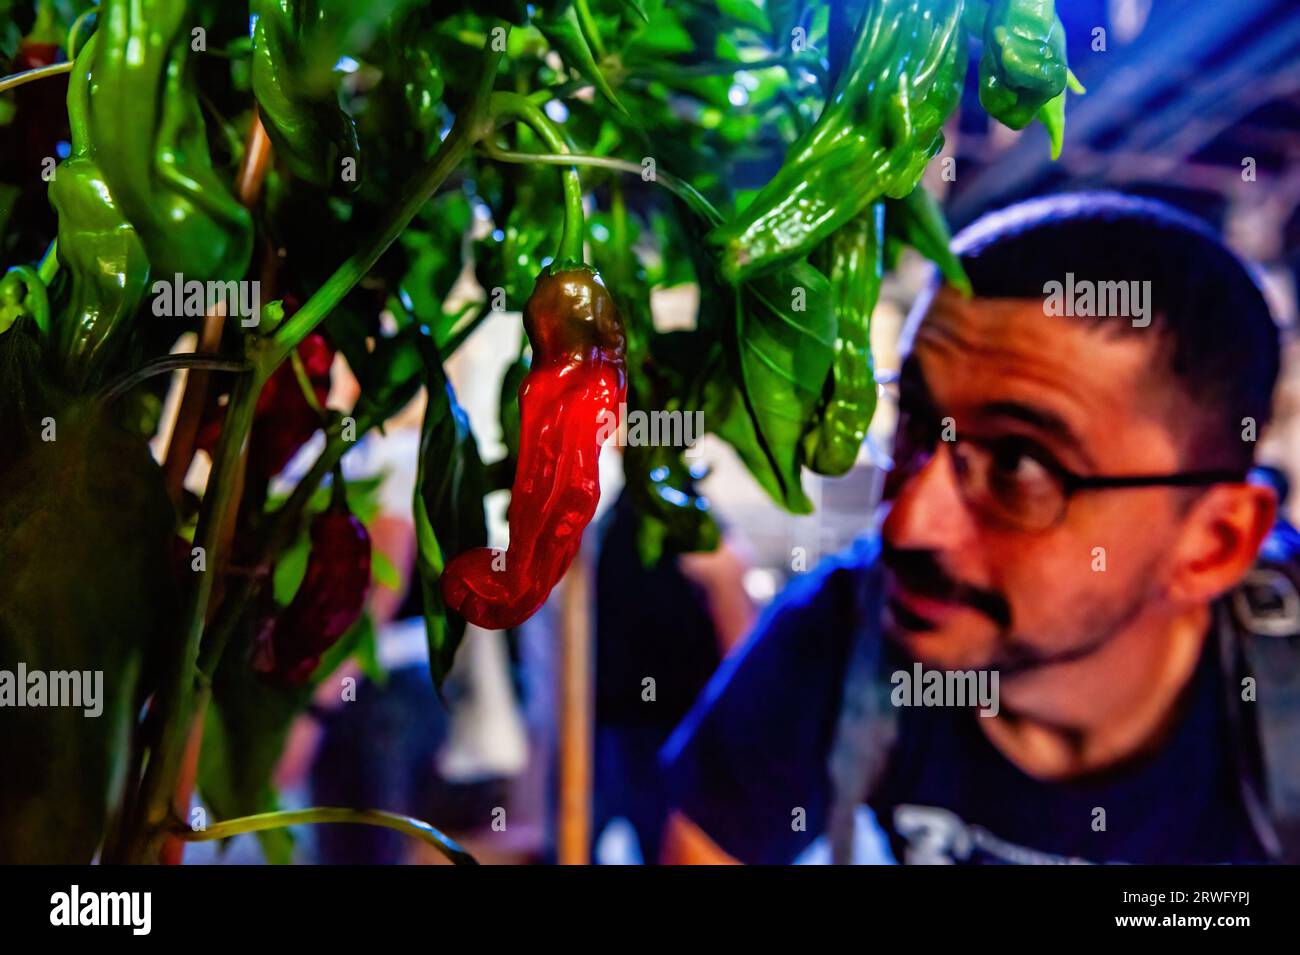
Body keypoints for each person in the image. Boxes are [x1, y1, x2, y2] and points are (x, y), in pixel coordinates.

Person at [660, 192, 1300, 865]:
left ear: (1214, 543)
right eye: (913, 420)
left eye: (1020, 465)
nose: (905, 523)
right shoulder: (848, 629)